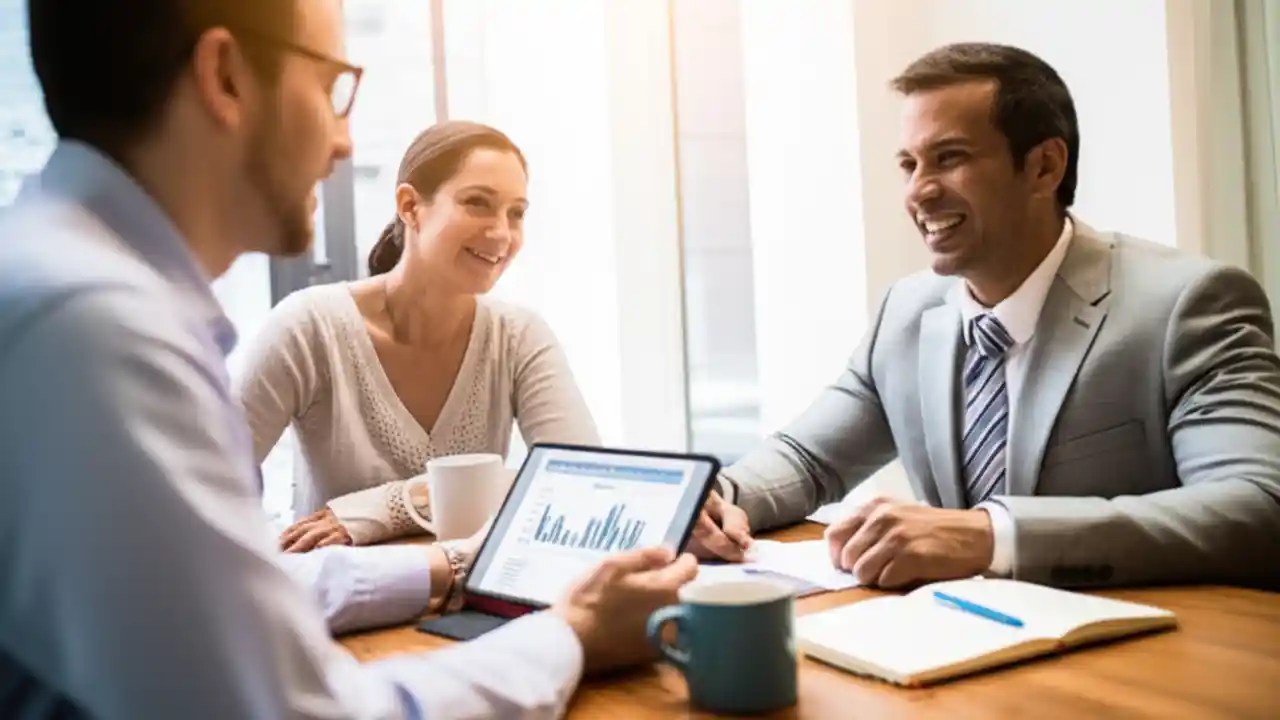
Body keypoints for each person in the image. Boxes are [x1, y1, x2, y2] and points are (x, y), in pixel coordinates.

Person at [0, 1, 695, 718]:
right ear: (225, 77)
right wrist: (570, 635)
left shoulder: (63, 289)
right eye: (334, 88)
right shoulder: (97, 334)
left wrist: (445, 562)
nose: (343, 141)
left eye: (517, 211)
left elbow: (230, 587)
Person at [694, 42, 1280, 590]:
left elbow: (1256, 505)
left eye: (949, 159)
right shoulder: (907, 311)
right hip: (960, 653)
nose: (918, 193)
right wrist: (720, 497)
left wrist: (990, 534)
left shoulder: (1189, 303)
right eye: (908, 164)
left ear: (1045, 167)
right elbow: (807, 459)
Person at [236, 121, 599, 553]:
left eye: (516, 212)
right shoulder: (309, 326)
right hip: (346, 610)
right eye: (477, 203)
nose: (502, 232)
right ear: (410, 207)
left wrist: (386, 507)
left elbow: (581, 483)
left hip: (471, 607)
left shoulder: (519, 336)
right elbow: (204, 482)